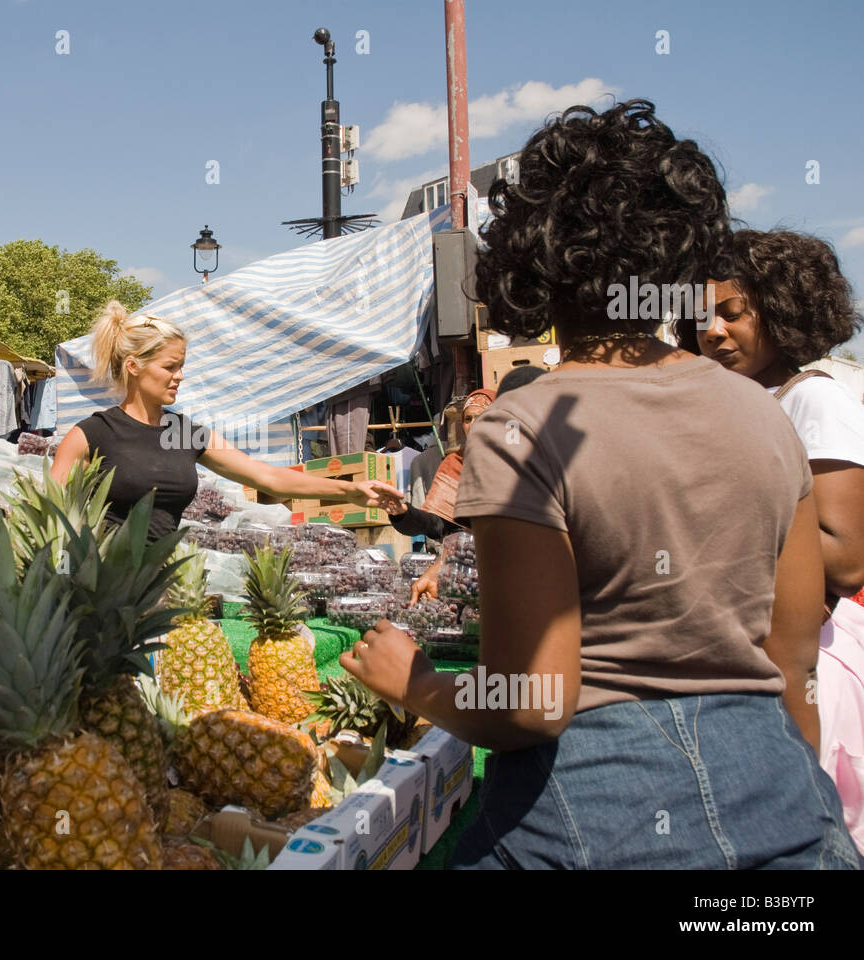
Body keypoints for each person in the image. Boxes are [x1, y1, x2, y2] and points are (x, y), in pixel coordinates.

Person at [341, 99, 858, 869]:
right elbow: (793, 665)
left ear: (525, 258)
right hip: (782, 796)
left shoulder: (523, 426)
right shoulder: (764, 415)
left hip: (593, 807)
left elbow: (536, 704)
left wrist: (416, 686)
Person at [684, 229, 864, 852]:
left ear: (783, 311)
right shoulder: (754, 400)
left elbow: (843, 556)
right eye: (703, 319)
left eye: (732, 315)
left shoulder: (814, 397)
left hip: (814, 661)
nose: (713, 332)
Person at [51, 302, 403, 540]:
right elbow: (52, 521)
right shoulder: (91, 435)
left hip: (162, 589)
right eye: (170, 367)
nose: (179, 376)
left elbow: (267, 477)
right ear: (134, 366)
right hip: (103, 592)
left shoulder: (184, 434)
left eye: (182, 366)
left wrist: (350, 491)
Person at [396, 371, 547, 602]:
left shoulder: (522, 459)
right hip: (465, 575)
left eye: (483, 416)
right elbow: (440, 526)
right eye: (468, 419)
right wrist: (401, 513)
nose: (474, 425)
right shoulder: (454, 463)